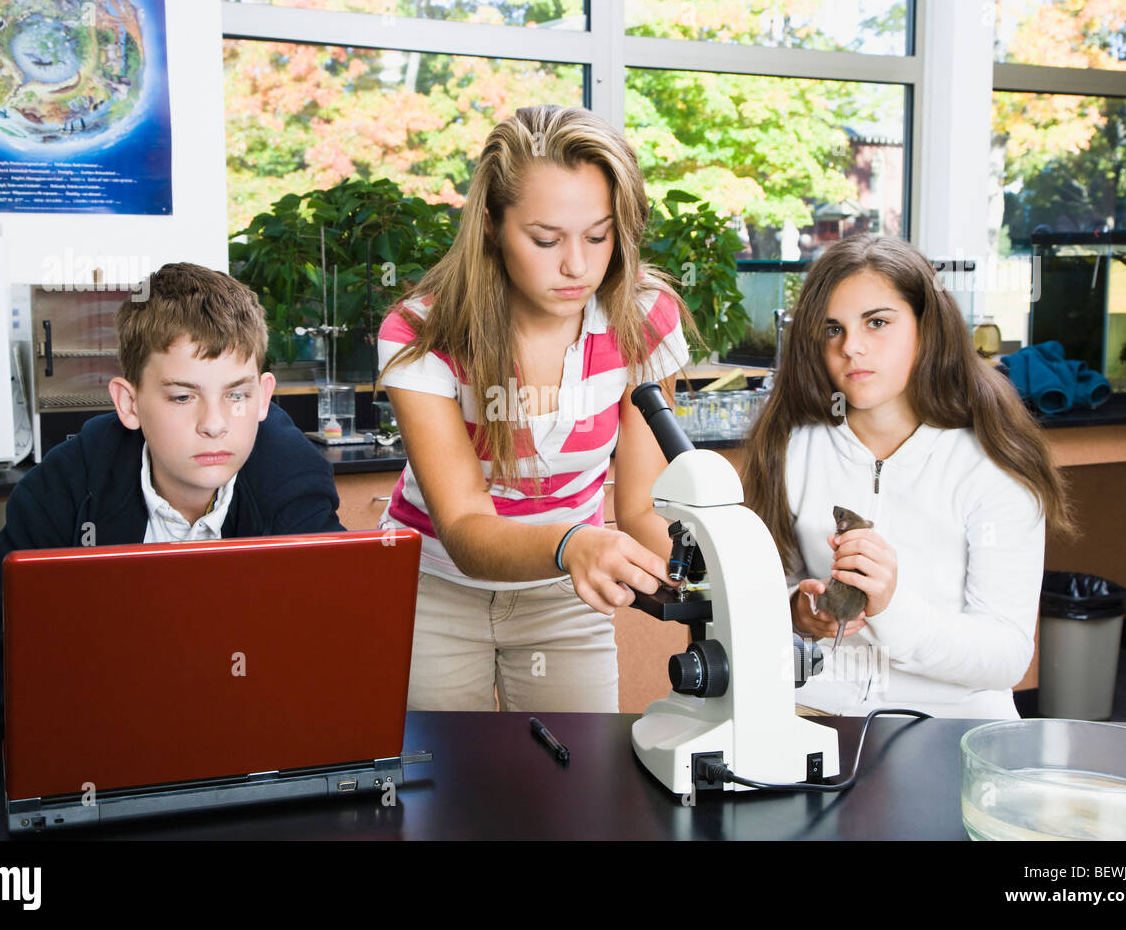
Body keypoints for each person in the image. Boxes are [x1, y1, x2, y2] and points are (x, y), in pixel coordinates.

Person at [377, 104, 696, 713]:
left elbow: (639, 506)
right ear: (494, 225)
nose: (577, 265)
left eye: (598, 236)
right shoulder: (424, 332)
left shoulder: (643, 317)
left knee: (577, 790)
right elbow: (467, 531)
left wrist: (721, 577)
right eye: (546, 239)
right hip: (432, 588)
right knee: (439, 795)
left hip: (563, 597)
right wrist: (575, 542)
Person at [0, 263, 345, 737]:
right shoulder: (62, 489)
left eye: (236, 395)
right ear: (129, 404)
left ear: (262, 398)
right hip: (105, 751)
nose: (215, 424)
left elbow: (335, 656)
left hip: (250, 748)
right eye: (182, 397)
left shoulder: (295, 483)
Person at [741, 233, 1076, 719]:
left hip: (952, 726)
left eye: (877, 322)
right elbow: (762, 595)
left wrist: (891, 609)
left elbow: (1006, 657)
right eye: (833, 329)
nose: (852, 347)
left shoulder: (995, 460)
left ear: (927, 326)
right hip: (816, 712)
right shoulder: (792, 446)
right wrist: (795, 610)